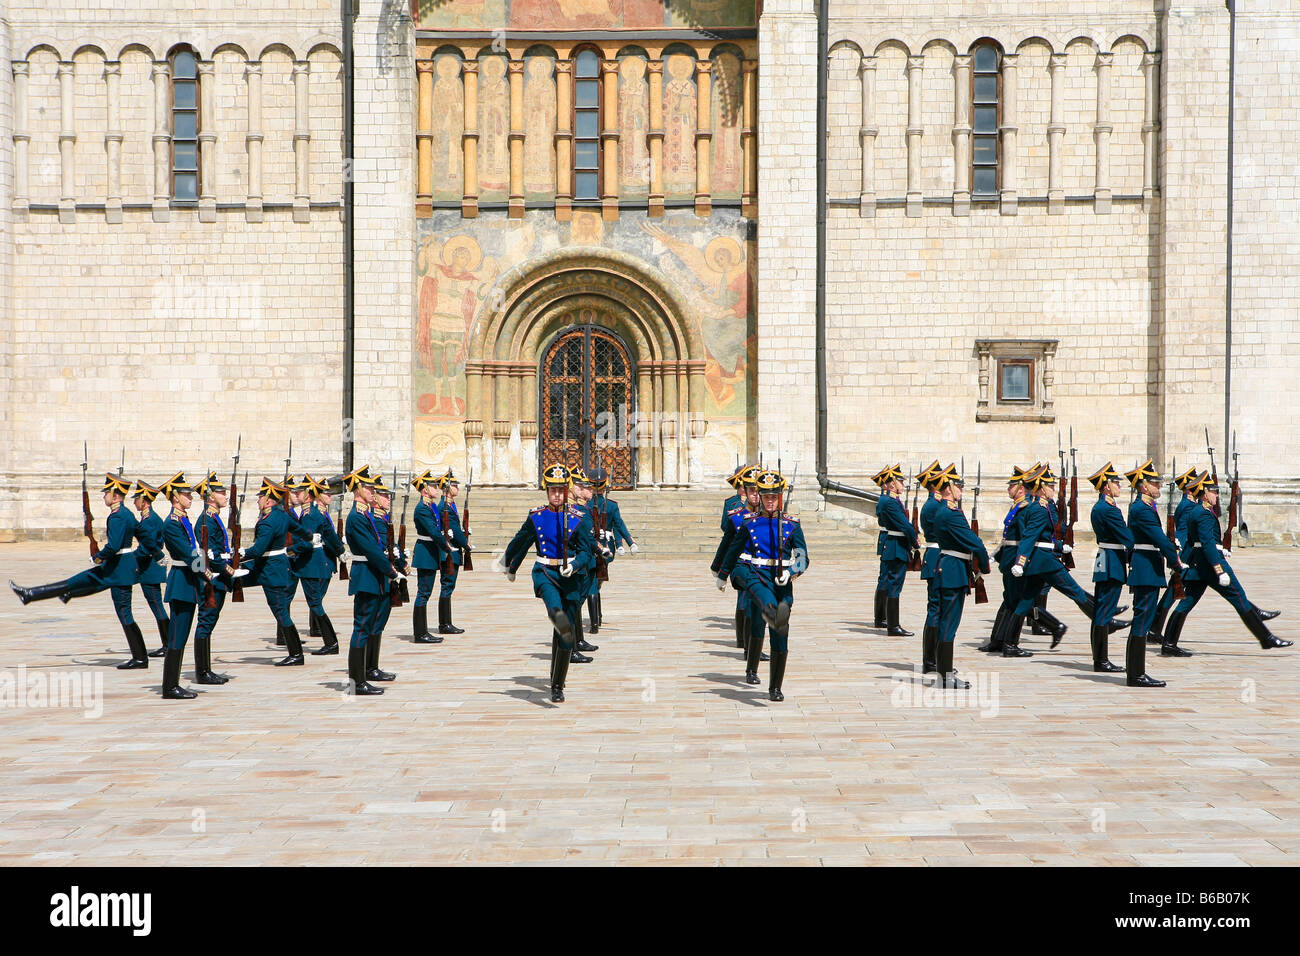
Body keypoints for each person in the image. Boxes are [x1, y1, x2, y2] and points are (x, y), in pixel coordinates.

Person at [9, 472, 147, 670]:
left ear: (116, 495)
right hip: (117, 569)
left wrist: (98, 556)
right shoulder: (127, 514)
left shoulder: (117, 517)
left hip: (117, 571)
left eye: (107, 493)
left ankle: (141, 658)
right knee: (76, 582)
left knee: (125, 614)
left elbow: (115, 545)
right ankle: (31, 594)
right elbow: (143, 535)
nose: (104, 496)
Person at [497, 464, 599, 703]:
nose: (556, 494)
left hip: (571, 579)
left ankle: (557, 683)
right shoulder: (537, 516)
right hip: (546, 575)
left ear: (567, 491)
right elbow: (520, 541)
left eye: (561, 490)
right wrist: (509, 564)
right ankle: (556, 687)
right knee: (560, 621)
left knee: (564, 634)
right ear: (546, 491)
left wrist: (574, 565)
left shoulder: (580, 518)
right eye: (552, 490)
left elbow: (586, 551)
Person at [1164, 470, 1291, 654]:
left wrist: (1218, 548)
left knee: (1187, 601)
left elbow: (1196, 542)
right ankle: (1266, 638)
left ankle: (1168, 644)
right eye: (1213, 491)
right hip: (1211, 564)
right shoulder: (1204, 514)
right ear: (1204, 493)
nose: (1216, 495)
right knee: (1238, 597)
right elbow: (1206, 544)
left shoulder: (1196, 512)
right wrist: (1219, 569)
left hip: (1200, 564)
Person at [719, 469, 809, 702]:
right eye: (766, 496)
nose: (770, 501)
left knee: (781, 632)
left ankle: (775, 687)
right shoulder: (750, 523)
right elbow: (734, 549)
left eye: (774, 497)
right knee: (763, 610)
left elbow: (802, 556)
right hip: (758, 574)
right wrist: (722, 574)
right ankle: (752, 668)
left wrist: (791, 571)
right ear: (759, 496)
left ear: (780, 497)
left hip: (782, 582)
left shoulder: (792, 524)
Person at [1123, 460, 1186, 687]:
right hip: (1146, 567)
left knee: (1143, 618)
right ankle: (1136, 674)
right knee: (1142, 619)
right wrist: (1176, 563)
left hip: (1148, 565)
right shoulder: (1142, 508)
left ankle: (1135, 673)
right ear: (1142, 486)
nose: (1158, 487)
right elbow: (1160, 539)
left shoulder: (1144, 507)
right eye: (1154, 484)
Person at [930, 463, 990, 689]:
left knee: (947, 622)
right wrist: (983, 567)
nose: (961, 490)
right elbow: (975, 542)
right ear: (948, 488)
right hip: (953, 571)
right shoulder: (951, 514)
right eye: (958, 486)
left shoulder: (945, 511)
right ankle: (945, 676)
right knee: (949, 624)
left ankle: (943, 670)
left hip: (949, 567)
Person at [342, 465, 399, 695]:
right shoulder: (356, 517)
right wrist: (391, 572)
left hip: (372, 575)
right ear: (357, 489)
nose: (372, 492)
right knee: (361, 628)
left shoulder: (364, 514)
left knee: (367, 626)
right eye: (368, 488)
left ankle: (365, 674)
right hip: (366, 575)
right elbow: (372, 550)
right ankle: (357, 682)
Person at [241, 477, 304, 666]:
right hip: (274, 567)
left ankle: (296, 653)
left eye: (260, 497)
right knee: (281, 610)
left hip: (271, 569)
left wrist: (240, 554)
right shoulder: (276, 516)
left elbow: (259, 550)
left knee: (280, 611)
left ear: (268, 500)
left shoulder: (269, 520)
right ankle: (296, 652)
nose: (258, 500)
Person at [291, 475, 346, 656]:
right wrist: (339, 549)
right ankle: (329, 641)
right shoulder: (312, 513)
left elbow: (306, 542)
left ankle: (331, 643)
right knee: (315, 603)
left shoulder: (310, 515)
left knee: (315, 604)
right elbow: (329, 533)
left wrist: (288, 550)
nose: (296, 494)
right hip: (315, 564)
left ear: (307, 495)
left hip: (312, 565)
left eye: (299, 492)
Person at [158, 472, 202, 699]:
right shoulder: (172, 524)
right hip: (182, 581)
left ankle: (172, 684)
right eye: (186, 495)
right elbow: (187, 553)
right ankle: (169, 686)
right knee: (177, 636)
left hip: (189, 581)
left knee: (182, 634)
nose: (190, 498)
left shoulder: (184, 519)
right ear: (175, 497)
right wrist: (207, 568)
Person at [980, 464, 1032, 655]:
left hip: (1017, 560)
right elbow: (1008, 537)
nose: (1008, 488)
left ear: (1021, 488)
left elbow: (1026, 539)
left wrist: (1021, 562)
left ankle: (1007, 641)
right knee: (1011, 600)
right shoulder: (1017, 507)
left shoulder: (1026, 509)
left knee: (1015, 601)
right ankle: (1000, 640)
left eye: (1011, 485)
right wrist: (997, 555)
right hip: (1009, 560)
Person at [1086, 462, 1132, 673]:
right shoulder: (1109, 510)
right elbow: (1126, 536)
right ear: (1106, 486)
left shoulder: (1101, 507)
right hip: (1112, 560)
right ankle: (1101, 661)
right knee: (1103, 612)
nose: (1119, 487)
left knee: (1101, 611)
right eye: (1115, 483)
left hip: (1105, 557)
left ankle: (1100, 659)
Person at [192, 472, 237, 685]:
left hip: (218, 578)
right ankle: (202, 671)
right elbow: (211, 554)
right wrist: (229, 570)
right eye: (221, 492)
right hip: (213, 579)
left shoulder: (213, 517)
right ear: (210, 497)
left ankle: (205, 669)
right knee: (206, 622)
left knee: (210, 622)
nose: (225, 495)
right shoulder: (206, 520)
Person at [871, 463, 919, 637]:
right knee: (894, 585)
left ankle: (886, 620)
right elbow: (905, 525)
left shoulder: (888, 500)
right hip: (896, 545)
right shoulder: (890, 502)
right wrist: (915, 542)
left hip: (893, 544)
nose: (902, 484)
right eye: (899, 481)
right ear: (892, 484)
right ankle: (893, 625)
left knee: (889, 582)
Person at [586, 467, 634, 633]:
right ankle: (596, 618)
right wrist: (629, 542)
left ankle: (595, 621)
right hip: (607, 547)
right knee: (595, 578)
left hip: (589, 546)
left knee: (593, 578)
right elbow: (619, 525)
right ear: (605, 484)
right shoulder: (612, 506)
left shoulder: (585, 504)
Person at [131, 480, 171, 658]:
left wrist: (129, 558)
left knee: (157, 607)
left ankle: (168, 644)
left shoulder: (150, 520)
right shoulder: (148, 518)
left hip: (150, 570)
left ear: (144, 500)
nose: (134, 502)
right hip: (150, 568)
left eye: (136, 499)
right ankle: (168, 643)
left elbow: (147, 547)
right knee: (156, 606)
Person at [914, 460, 945, 673]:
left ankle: (933, 659)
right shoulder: (935, 506)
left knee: (937, 609)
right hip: (937, 558)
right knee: (936, 610)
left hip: (935, 557)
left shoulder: (933, 504)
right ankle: (931, 660)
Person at [409, 469, 445, 645]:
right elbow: (432, 531)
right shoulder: (422, 509)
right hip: (425, 552)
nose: (436, 489)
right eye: (433, 486)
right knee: (423, 593)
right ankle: (420, 633)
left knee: (426, 592)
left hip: (430, 551)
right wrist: (446, 545)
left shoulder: (429, 506)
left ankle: (422, 631)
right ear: (424, 489)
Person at [434, 469, 471, 636]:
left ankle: (446, 622)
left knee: (449, 586)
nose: (457, 488)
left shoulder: (449, 505)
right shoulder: (444, 507)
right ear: (447, 488)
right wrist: (466, 544)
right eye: (454, 485)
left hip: (454, 550)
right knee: (447, 586)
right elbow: (453, 529)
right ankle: (444, 623)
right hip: (450, 551)